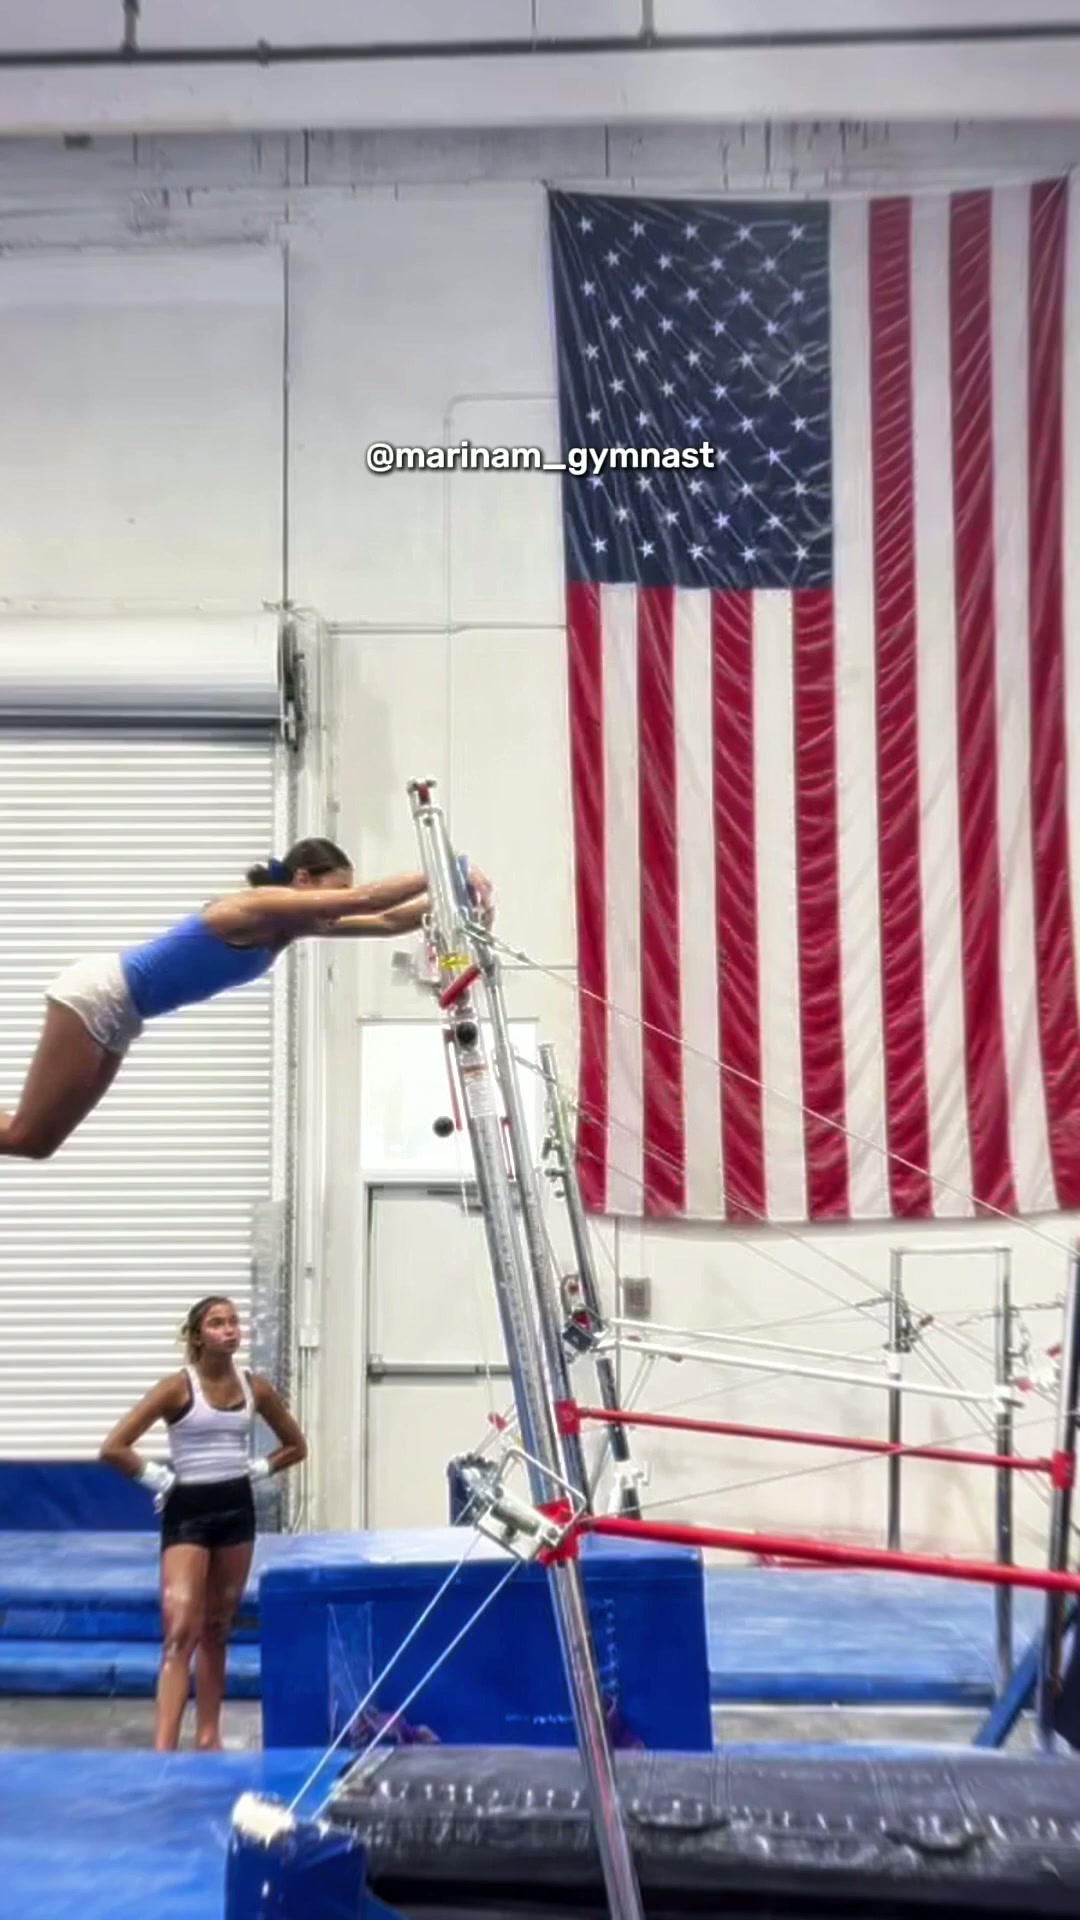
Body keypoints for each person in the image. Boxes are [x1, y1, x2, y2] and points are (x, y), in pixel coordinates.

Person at [0, 835, 493, 1162]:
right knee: (23, 1134)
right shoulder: (251, 908)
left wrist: (457, 896)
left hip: (123, 1016)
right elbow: (366, 901)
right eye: (332, 891)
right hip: (99, 995)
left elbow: (387, 922)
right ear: (303, 881)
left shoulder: (290, 929)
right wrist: (450, 868)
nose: (335, 907)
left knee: (39, 1142)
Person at [100, 1293, 307, 1752]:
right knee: (180, 1632)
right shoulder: (177, 1388)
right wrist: (155, 1476)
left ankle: (209, 1736)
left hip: (236, 1509)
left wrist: (261, 1467)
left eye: (234, 1322)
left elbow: (296, 1445)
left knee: (217, 1628)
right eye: (217, 1323)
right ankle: (164, 1747)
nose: (230, 1329)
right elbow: (114, 1447)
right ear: (198, 1336)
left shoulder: (257, 1389)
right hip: (187, 1512)